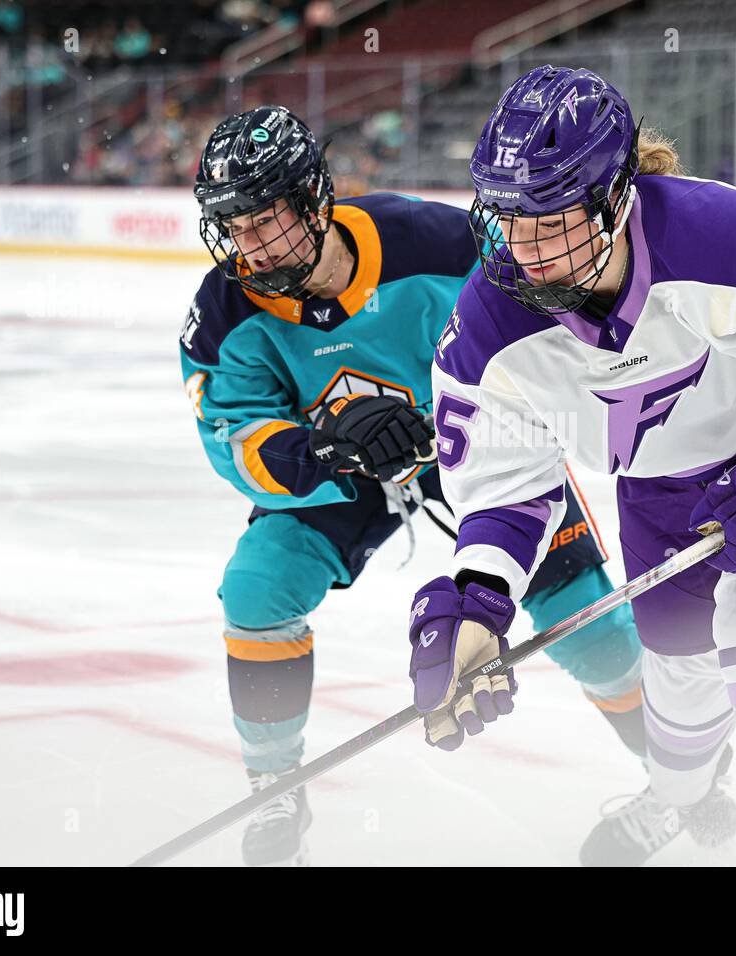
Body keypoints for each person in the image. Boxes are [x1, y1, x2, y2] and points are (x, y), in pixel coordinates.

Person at [405, 66, 736, 866]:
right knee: (679, 666)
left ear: (615, 199)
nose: (524, 248)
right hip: (659, 479)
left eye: (550, 219)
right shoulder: (486, 327)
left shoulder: (723, 234)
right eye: (509, 217)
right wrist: (479, 604)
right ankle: (680, 795)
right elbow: (505, 486)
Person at [181, 105, 646, 866]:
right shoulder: (224, 311)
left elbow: (539, 324)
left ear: (313, 201)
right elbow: (234, 436)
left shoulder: (431, 241)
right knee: (257, 589)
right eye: (233, 226)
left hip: (483, 443)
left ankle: (681, 773)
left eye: (266, 219)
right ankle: (273, 788)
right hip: (342, 470)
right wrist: (324, 446)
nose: (250, 245)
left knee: (590, 629)